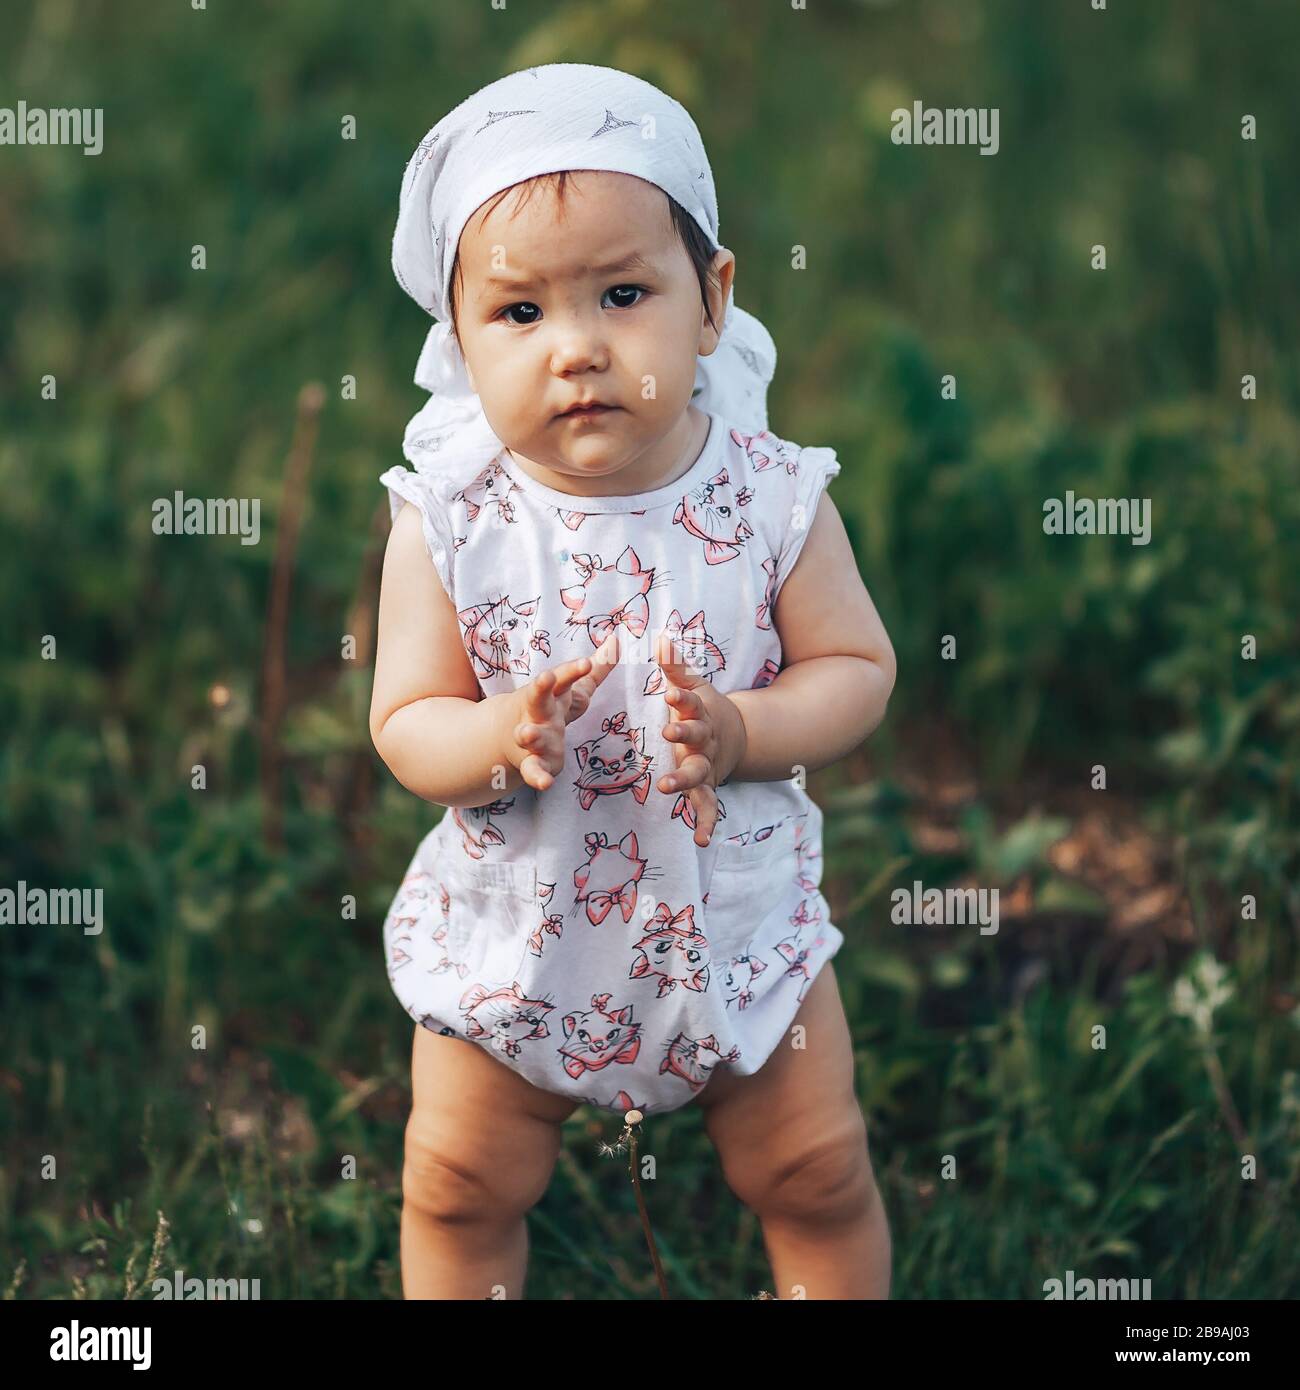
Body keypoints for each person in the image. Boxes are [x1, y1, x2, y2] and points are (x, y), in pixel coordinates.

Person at [370, 63, 896, 1300]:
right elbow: (403, 721)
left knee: (815, 1170)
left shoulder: (771, 494)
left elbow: (858, 670)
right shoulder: (448, 519)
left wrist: (744, 727)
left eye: (621, 292)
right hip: (518, 936)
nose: (579, 350)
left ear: (710, 301)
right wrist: (494, 733)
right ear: (455, 339)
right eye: (519, 315)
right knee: (456, 1182)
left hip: (737, 930)